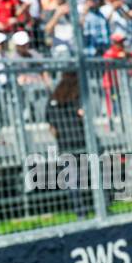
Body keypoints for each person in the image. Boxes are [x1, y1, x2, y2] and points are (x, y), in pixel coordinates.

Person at [44, 70, 88, 218]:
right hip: (81, 141)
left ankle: (80, 211)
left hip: (64, 143)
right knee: (93, 174)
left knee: (72, 180)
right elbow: (84, 117)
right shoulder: (77, 97)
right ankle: (102, 205)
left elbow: (52, 128)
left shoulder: (52, 99)